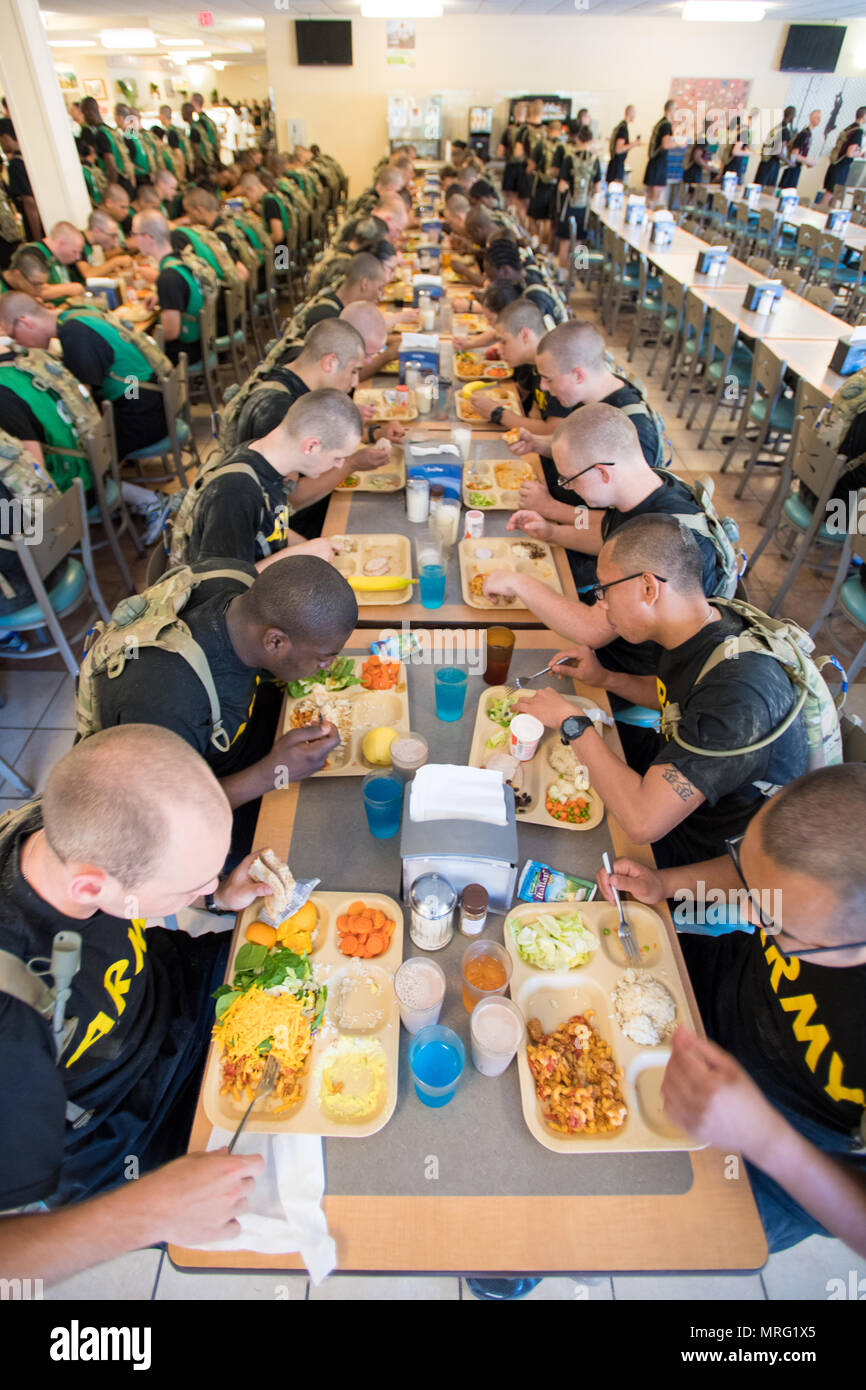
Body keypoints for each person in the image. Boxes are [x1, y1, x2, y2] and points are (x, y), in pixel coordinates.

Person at [0, 724, 275, 1284]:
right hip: (128, 1123)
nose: (198, 897)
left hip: (173, 990)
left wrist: (219, 895)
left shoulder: (56, 829)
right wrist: (153, 1209)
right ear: (90, 888)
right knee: (293, 1177)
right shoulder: (11, 1026)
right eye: (186, 890)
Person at [598, 764, 866, 1256]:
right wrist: (667, 883)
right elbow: (766, 878)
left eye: (772, 922)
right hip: (707, 996)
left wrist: (764, 1139)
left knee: (615, 1237)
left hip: (783, 1167)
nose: (753, 913)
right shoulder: (822, 861)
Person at [511, 513, 819, 868]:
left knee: (534, 846)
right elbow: (673, 697)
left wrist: (571, 720)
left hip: (700, 852)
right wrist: (606, 679)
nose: (602, 603)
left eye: (605, 590)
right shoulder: (705, 620)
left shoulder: (738, 701)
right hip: (663, 768)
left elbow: (643, 822)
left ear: (648, 588)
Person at [79, 555, 358, 857]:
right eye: (323, 658)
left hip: (230, 747)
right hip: (174, 808)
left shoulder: (237, 579)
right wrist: (274, 771)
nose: (328, 668)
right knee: (322, 843)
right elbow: (160, 820)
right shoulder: (169, 702)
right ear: (275, 642)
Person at [492, 403, 728, 663]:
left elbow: (590, 630)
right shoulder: (646, 487)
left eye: (570, 479)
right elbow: (611, 538)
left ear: (603, 472)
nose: (568, 489)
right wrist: (552, 533)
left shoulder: (666, 534)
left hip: (633, 668)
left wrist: (517, 582)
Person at [178, 389, 363, 567]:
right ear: (311, 447)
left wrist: (315, 546)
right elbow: (222, 588)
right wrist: (299, 553)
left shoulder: (268, 463)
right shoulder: (235, 493)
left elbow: (274, 527)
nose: (340, 465)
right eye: (337, 458)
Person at [0, 292, 168, 461]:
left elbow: (82, 398)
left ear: (25, 322)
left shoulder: (74, 334)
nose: (18, 344)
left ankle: (110, 485)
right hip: (152, 396)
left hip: (142, 418)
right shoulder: (78, 313)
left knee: (70, 450)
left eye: (13, 336)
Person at [505, 319, 665, 474]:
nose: (542, 386)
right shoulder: (584, 395)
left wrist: (548, 503)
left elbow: (626, 501)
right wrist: (536, 443)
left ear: (578, 375)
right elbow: (577, 449)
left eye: (549, 379)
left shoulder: (633, 431)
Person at [131, 210, 204, 369]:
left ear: (148, 237)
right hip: (201, 339)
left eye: (134, 235)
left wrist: (144, 339)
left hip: (185, 352)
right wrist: (161, 297)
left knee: (131, 356)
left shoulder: (167, 278)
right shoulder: (180, 259)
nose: (133, 241)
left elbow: (171, 333)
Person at [285, 252, 388, 340]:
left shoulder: (337, 296)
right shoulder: (328, 318)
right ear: (364, 284)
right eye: (380, 288)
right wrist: (388, 355)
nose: (381, 295)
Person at [554, 123, 601, 278]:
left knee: (565, 241)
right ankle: (576, 274)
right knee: (579, 241)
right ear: (591, 140)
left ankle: (561, 273)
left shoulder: (569, 158)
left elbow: (561, 186)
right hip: (585, 208)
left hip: (569, 205)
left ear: (578, 139)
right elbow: (597, 188)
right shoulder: (595, 160)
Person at [79, 97, 135, 196]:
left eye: (83, 113)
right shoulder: (110, 131)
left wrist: (110, 190)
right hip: (126, 181)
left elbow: (111, 164)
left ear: (88, 112)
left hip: (118, 184)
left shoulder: (100, 134)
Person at [16, 222, 87, 302]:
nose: (78, 257)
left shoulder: (60, 258)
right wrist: (69, 289)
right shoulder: (32, 253)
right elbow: (32, 290)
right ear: (61, 244)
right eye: (75, 252)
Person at [817, 107, 866, 205]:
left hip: (835, 164)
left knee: (831, 196)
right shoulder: (858, 131)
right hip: (841, 167)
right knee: (829, 195)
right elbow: (850, 153)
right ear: (864, 116)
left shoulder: (849, 128)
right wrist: (862, 154)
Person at [644, 99, 678, 208]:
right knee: (654, 198)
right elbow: (665, 144)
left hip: (653, 162)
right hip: (658, 164)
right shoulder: (666, 125)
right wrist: (679, 144)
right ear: (670, 109)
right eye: (676, 109)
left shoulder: (660, 123)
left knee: (649, 198)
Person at [778, 109, 822, 191]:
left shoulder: (809, 135)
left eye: (820, 118)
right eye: (817, 117)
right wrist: (808, 161)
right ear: (811, 118)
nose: (819, 120)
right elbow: (794, 155)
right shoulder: (803, 134)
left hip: (797, 168)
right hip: (792, 169)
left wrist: (807, 162)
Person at [754, 106, 796, 190]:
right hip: (772, 164)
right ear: (792, 117)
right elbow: (778, 152)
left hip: (764, 161)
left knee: (757, 188)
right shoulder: (785, 131)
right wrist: (789, 162)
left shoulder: (776, 128)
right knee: (766, 191)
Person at [607, 105, 641, 185]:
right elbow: (619, 149)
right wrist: (634, 144)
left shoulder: (620, 126)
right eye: (634, 113)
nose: (635, 115)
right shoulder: (623, 129)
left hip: (614, 165)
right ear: (630, 113)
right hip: (616, 167)